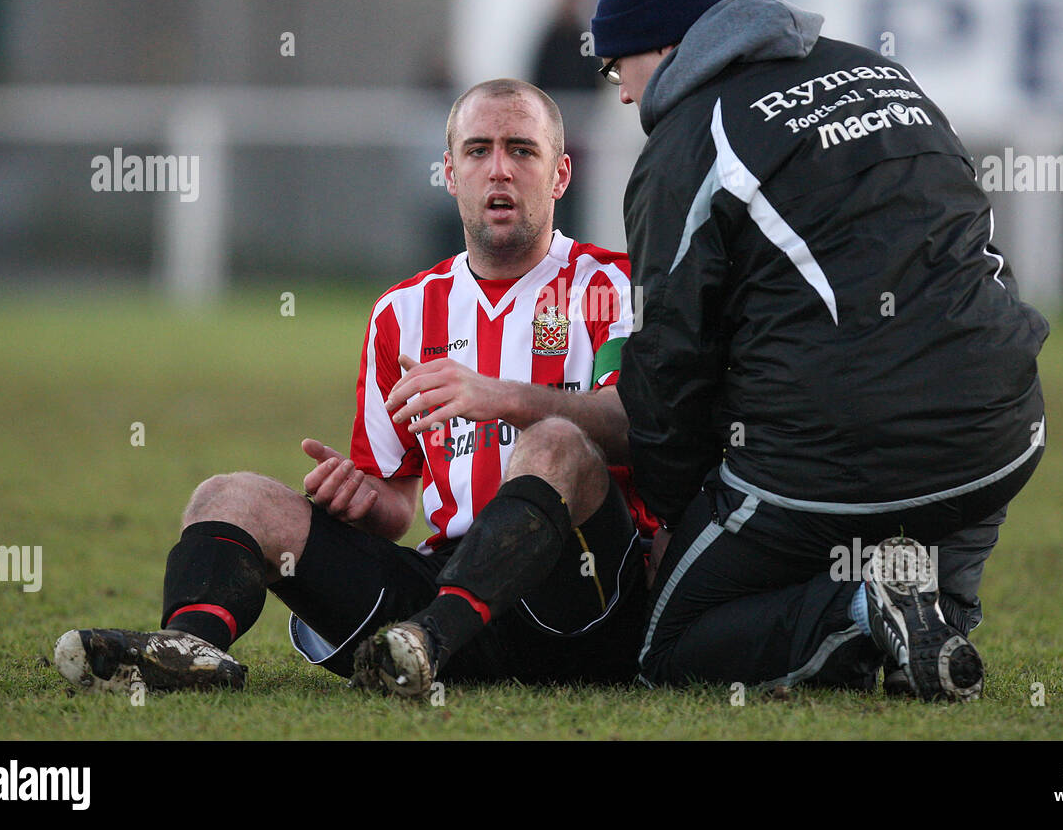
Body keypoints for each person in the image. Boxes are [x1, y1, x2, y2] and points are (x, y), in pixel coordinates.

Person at [54, 78, 655, 698]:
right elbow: (396, 496)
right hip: (444, 588)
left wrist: (501, 395)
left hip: (577, 603)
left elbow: (632, 426)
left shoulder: (613, 286)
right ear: (449, 173)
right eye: (477, 151)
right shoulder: (403, 312)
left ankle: (428, 642)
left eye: (522, 151)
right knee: (230, 495)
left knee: (556, 440)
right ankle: (189, 648)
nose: (498, 169)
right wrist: (366, 503)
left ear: (560, 175)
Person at [591, 0, 1049, 700]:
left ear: (664, 47)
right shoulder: (883, 77)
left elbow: (672, 358)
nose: (624, 90)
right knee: (928, 538)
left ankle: (869, 609)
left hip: (838, 462)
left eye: (616, 66)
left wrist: (679, 511)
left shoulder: (686, 145)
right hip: (1000, 438)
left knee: (667, 645)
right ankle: (937, 614)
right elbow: (981, 252)